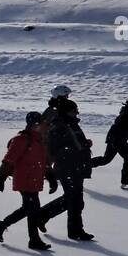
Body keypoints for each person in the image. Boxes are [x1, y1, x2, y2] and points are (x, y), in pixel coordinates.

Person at [0, 112, 52, 251]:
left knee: (28, 208)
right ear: (35, 125)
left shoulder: (39, 140)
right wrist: (0, 179)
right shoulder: (21, 140)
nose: (45, 127)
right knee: (33, 209)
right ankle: (34, 240)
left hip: (34, 180)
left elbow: (43, 162)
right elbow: (9, 160)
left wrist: (51, 177)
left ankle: (1, 225)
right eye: (42, 124)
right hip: (25, 180)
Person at [38, 98, 93, 241]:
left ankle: (43, 215)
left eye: (76, 110)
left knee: (74, 200)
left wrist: (84, 144)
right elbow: (54, 149)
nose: (76, 113)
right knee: (75, 200)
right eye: (74, 111)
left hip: (76, 167)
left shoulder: (71, 124)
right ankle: (75, 231)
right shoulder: (58, 126)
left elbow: (75, 142)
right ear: (66, 112)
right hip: (68, 168)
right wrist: (73, 151)